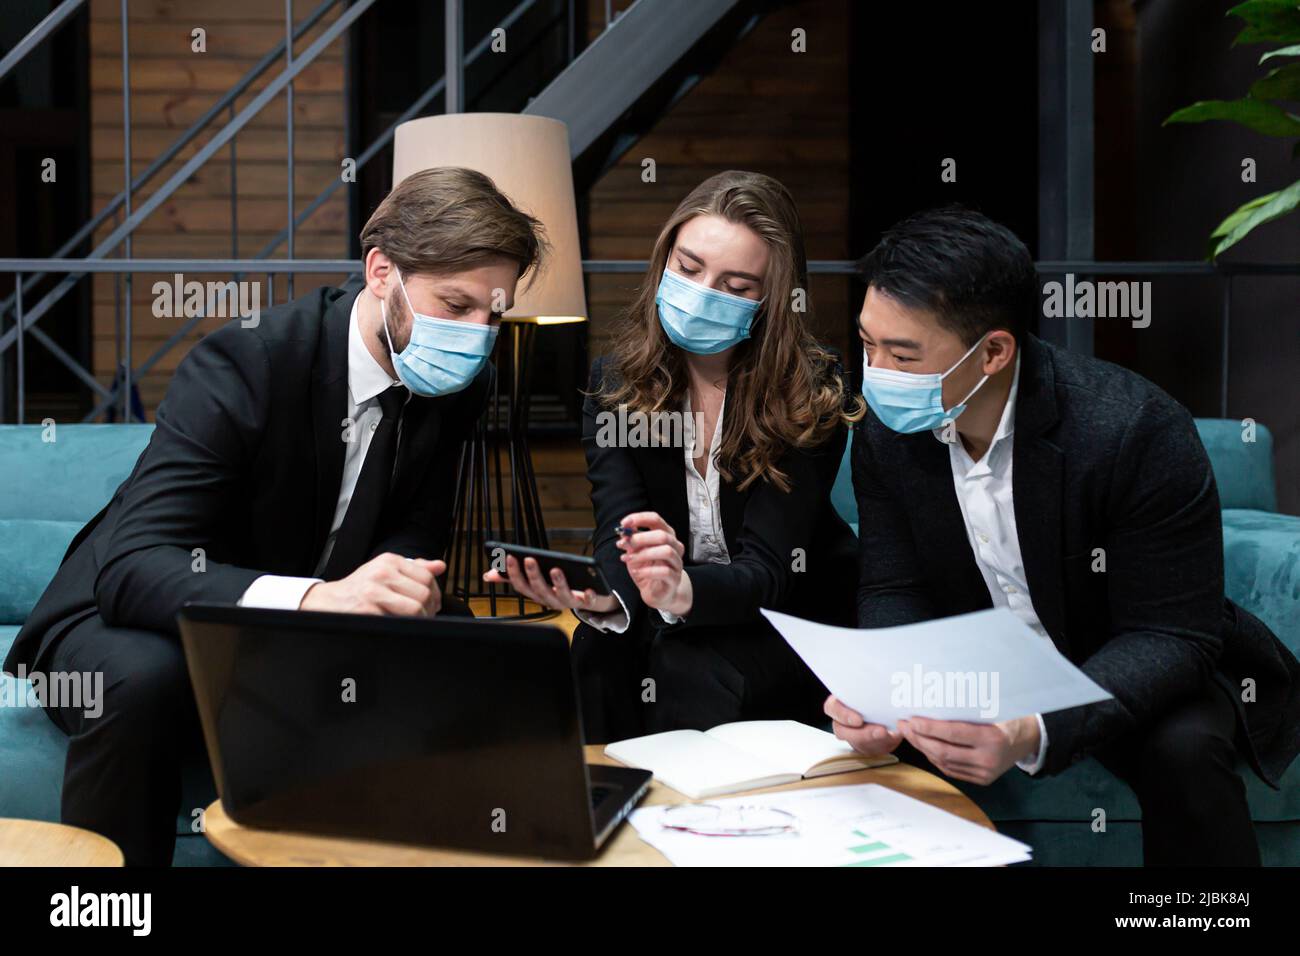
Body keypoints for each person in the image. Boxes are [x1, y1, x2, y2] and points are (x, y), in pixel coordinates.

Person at [2, 166, 547, 866]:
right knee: (145, 682)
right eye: (456, 305)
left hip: (306, 622)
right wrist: (319, 599)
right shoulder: (249, 361)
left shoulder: (460, 383)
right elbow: (137, 563)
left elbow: (416, 521)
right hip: (129, 614)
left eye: (494, 313)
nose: (477, 335)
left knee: (474, 654)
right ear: (382, 272)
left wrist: (406, 577)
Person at [827, 205, 1300, 866]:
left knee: (1185, 751)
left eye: (902, 355)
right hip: (979, 665)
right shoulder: (886, 433)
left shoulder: (1132, 428)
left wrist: (1034, 731)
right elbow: (894, 584)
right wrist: (884, 691)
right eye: (867, 344)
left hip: (1119, 656)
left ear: (993, 351)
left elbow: (1171, 635)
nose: (875, 374)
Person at [487, 170, 862, 742]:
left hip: (786, 620)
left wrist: (680, 590)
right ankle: (605, 809)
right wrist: (605, 599)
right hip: (672, 610)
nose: (705, 293)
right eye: (689, 269)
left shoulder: (810, 393)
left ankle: (696, 822)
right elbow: (620, 526)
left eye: (737, 286)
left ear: (771, 301)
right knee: (593, 647)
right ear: (665, 260)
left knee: (690, 666)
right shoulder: (616, 386)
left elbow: (769, 575)